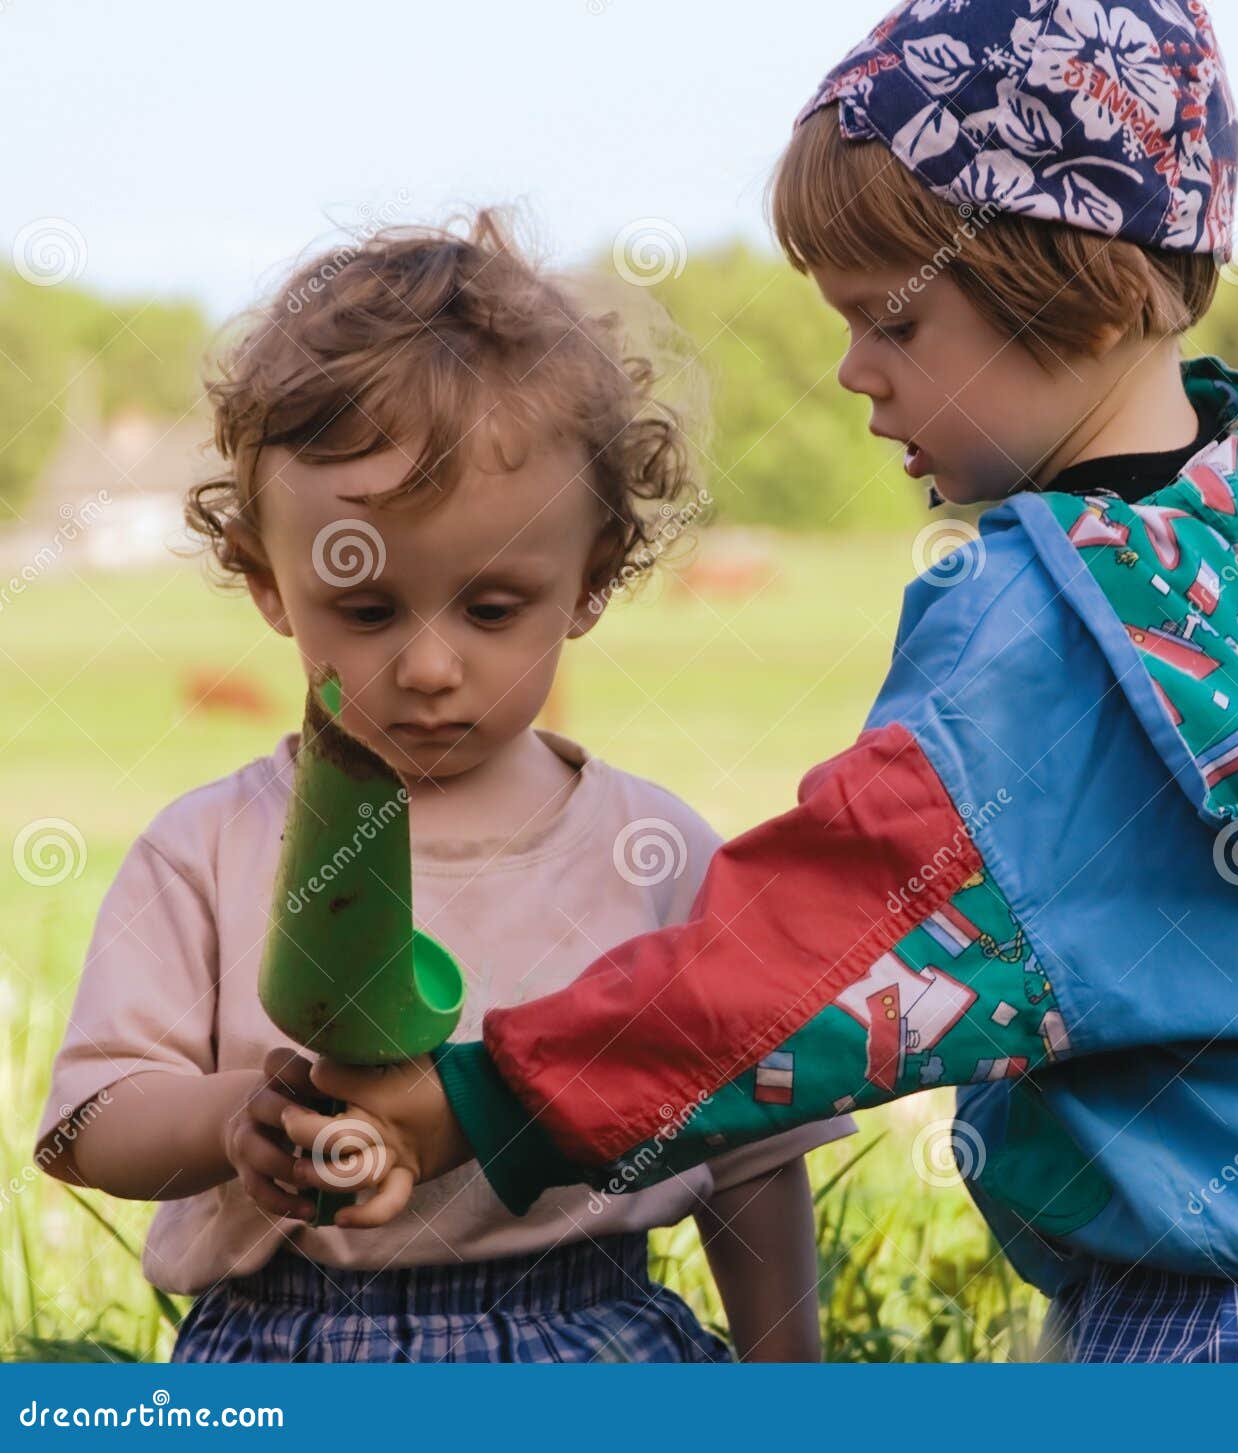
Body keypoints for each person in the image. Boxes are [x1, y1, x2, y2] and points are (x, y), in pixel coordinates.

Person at [281, 1, 1238, 1362]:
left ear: (1075, 279)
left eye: (892, 319)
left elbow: (815, 945)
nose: (853, 371)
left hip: (1211, 1320)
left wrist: (484, 1097)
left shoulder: (1045, 620)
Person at [33, 209, 854, 1363]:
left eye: (493, 607)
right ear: (268, 582)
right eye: (367, 609)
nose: (428, 666)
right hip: (289, 1344)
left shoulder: (657, 849)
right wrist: (232, 1119)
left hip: (590, 1331)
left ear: (591, 580)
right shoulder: (210, 846)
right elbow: (92, 1116)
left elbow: (754, 1145)